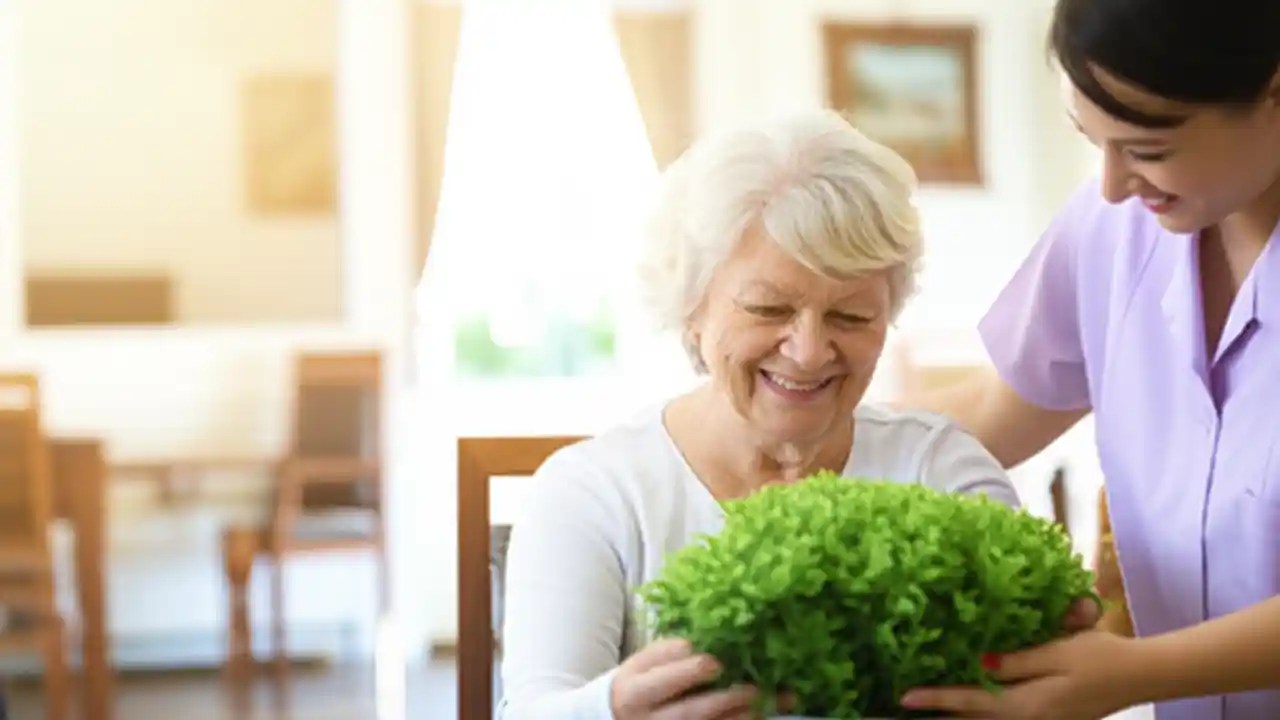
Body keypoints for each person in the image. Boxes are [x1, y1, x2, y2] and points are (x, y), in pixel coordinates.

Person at [496, 110, 1022, 720]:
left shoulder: (942, 473)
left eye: (851, 316)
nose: (808, 352)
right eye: (769, 309)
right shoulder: (595, 492)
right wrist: (610, 709)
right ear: (692, 308)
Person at [895, 1, 1280, 719]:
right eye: (1090, 138)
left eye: (1148, 148)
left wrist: (1138, 672)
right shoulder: (1114, 228)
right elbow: (993, 411)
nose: (1112, 183)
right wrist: (760, 441)